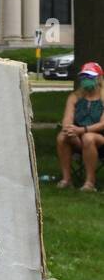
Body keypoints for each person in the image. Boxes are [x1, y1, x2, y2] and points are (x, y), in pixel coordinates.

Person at [55, 61, 104, 191]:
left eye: (89, 77)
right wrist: (69, 130)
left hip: (100, 139)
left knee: (88, 137)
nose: (86, 80)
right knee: (62, 136)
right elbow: (67, 118)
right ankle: (66, 180)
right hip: (77, 137)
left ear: (98, 78)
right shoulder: (74, 97)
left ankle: (90, 182)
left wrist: (81, 130)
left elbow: (103, 124)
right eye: (83, 77)